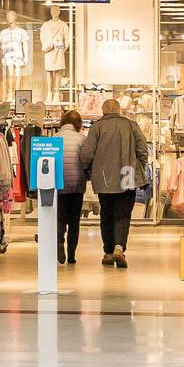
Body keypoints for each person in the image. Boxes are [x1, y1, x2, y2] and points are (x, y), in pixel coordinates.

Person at [78, 98, 149, 269]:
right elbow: (142, 149)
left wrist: (88, 170)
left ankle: (108, 252)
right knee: (123, 214)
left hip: (103, 176)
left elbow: (87, 153)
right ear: (118, 110)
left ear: (103, 111)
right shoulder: (131, 125)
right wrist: (139, 166)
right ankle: (119, 248)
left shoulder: (97, 127)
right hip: (128, 173)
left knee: (106, 214)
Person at [55, 110, 86, 265]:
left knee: (60, 217)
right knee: (74, 221)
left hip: (58, 184)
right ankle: (72, 254)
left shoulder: (54, 138)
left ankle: (59, 242)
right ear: (78, 123)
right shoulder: (82, 139)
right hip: (76, 184)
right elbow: (86, 161)